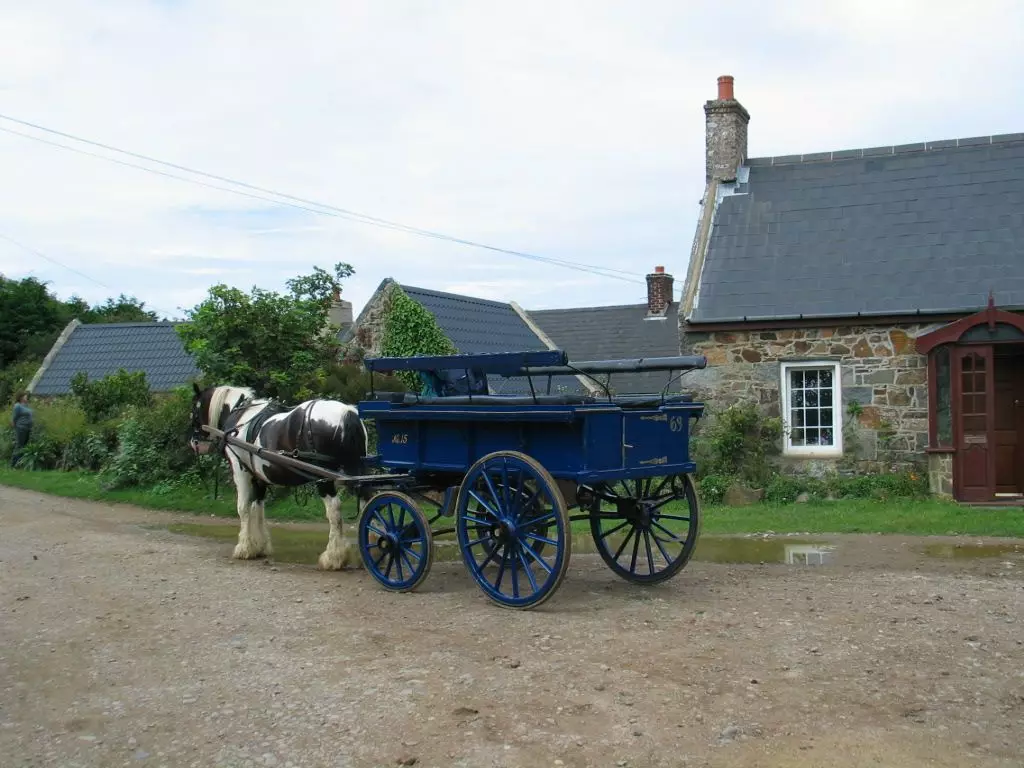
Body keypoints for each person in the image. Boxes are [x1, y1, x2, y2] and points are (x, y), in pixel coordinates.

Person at [11, 391, 33, 468]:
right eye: (25, 396)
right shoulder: (17, 406)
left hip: (27, 428)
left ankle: (20, 463)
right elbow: (14, 418)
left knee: (24, 446)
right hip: (21, 428)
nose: (26, 397)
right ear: (21, 398)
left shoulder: (26, 406)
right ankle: (13, 464)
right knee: (19, 445)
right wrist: (15, 426)